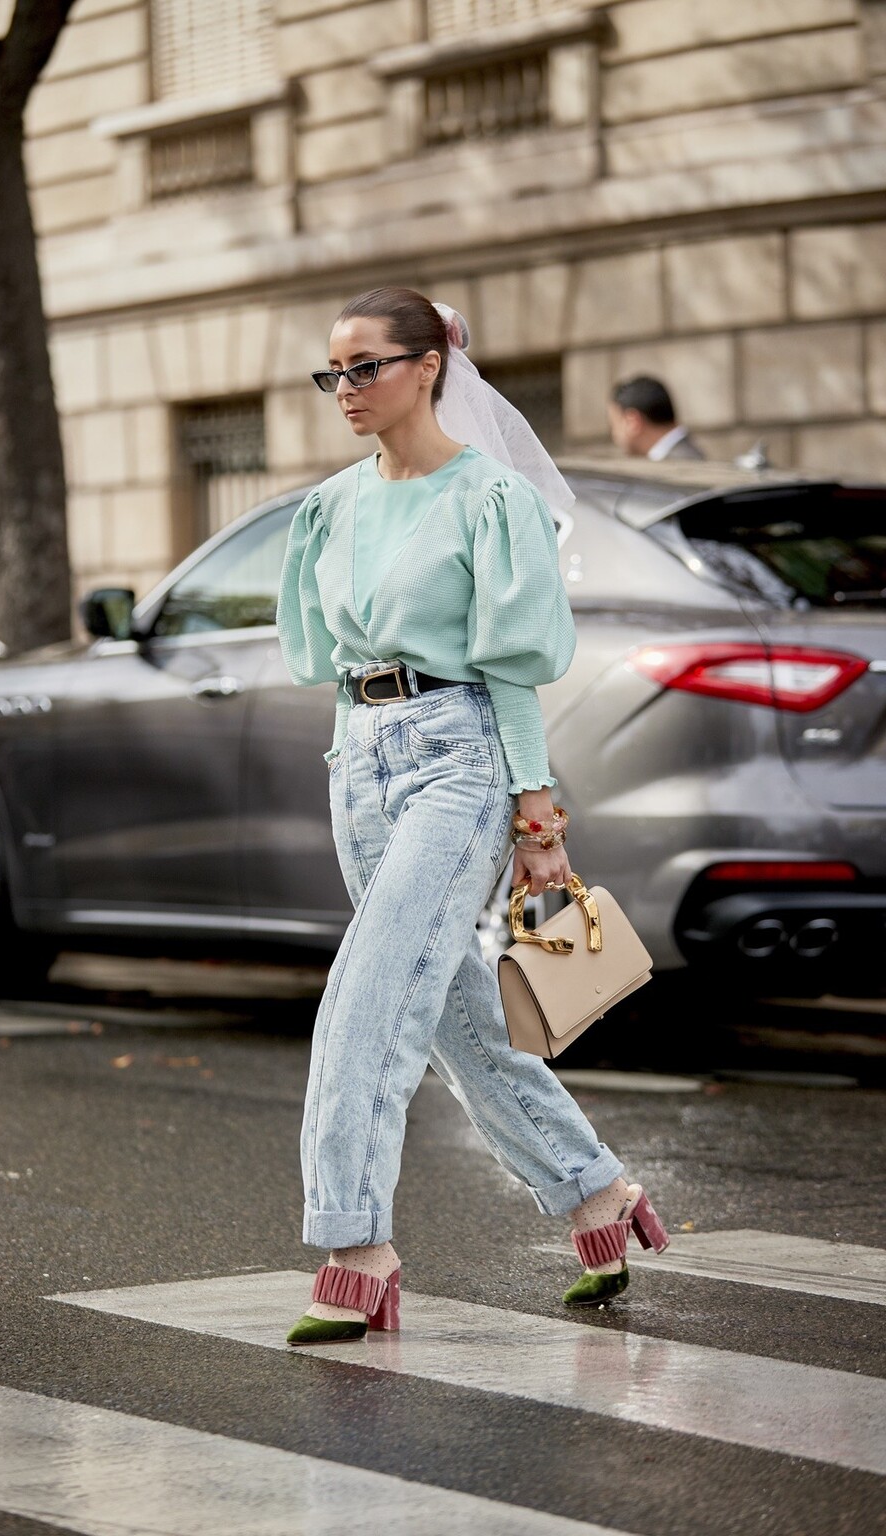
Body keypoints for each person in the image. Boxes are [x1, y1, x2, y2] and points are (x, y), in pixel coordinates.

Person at [276, 287, 669, 1346]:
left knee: (366, 998)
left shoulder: (486, 497)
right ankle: (595, 1195)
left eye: (366, 367)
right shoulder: (333, 504)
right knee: (451, 1011)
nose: (345, 390)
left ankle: (353, 1242)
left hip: (458, 761)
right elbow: (322, 653)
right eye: (333, 372)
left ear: (429, 365)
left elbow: (507, 669)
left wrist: (534, 814)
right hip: (357, 762)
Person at [608, 376, 705, 461]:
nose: (614, 435)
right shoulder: (684, 457)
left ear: (633, 422)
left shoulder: (681, 464)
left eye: (614, 425)